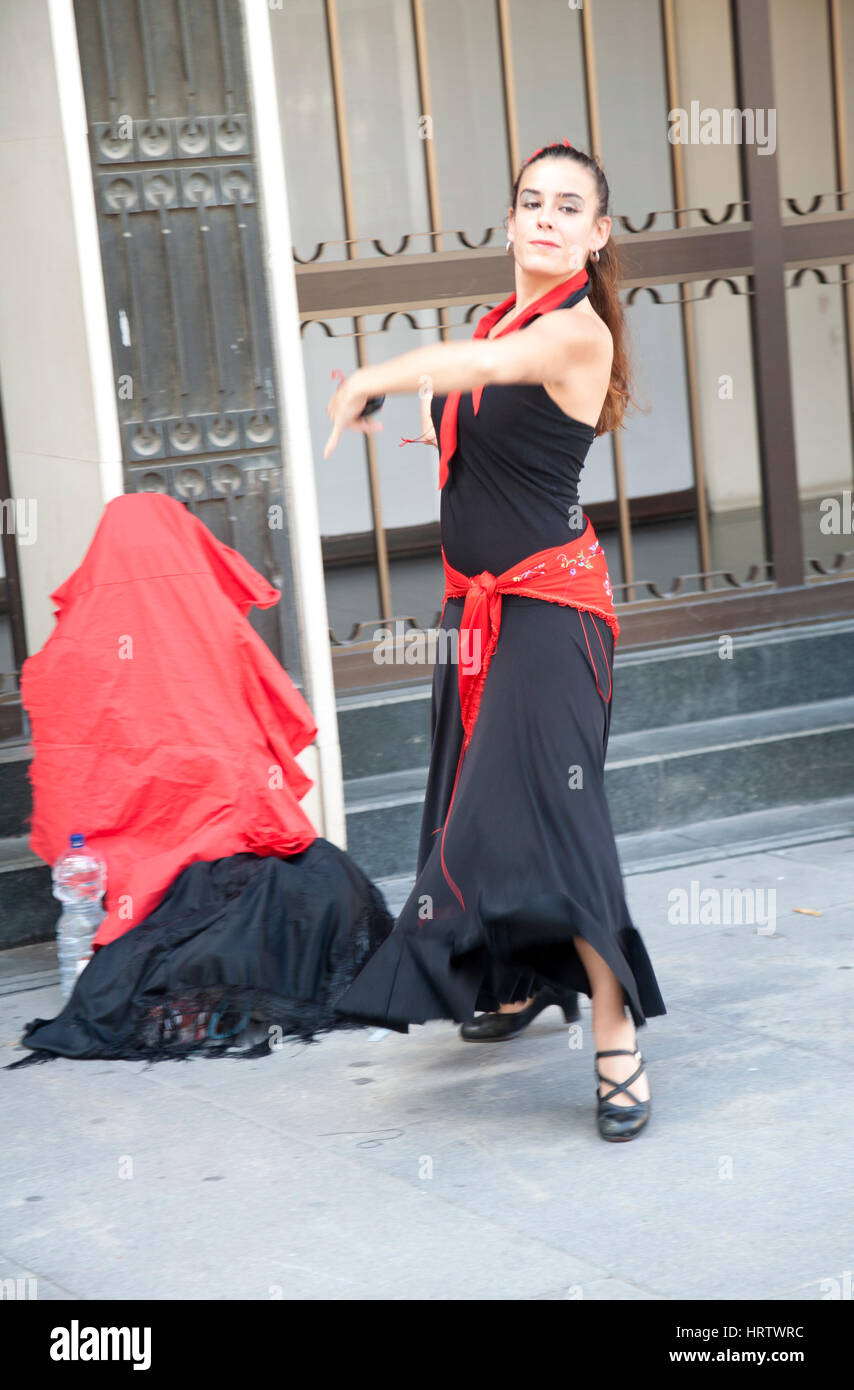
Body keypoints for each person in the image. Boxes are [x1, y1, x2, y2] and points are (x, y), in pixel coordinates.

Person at [324, 140, 666, 1141]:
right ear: (510, 223)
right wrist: (441, 426)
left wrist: (371, 378)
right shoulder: (504, 317)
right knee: (475, 809)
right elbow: (481, 388)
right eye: (531, 202)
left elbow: (479, 367)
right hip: (478, 615)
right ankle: (514, 984)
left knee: (562, 824)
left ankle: (614, 1038)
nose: (547, 217)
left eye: (570, 206)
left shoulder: (574, 330)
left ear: (597, 236)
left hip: (551, 617)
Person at [6, 492, 394, 1067]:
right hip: (234, 844)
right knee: (320, 886)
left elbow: (67, 771)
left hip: (135, 874)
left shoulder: (71, 652)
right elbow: (285, 717)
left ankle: (192, 991)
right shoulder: (214, 627)